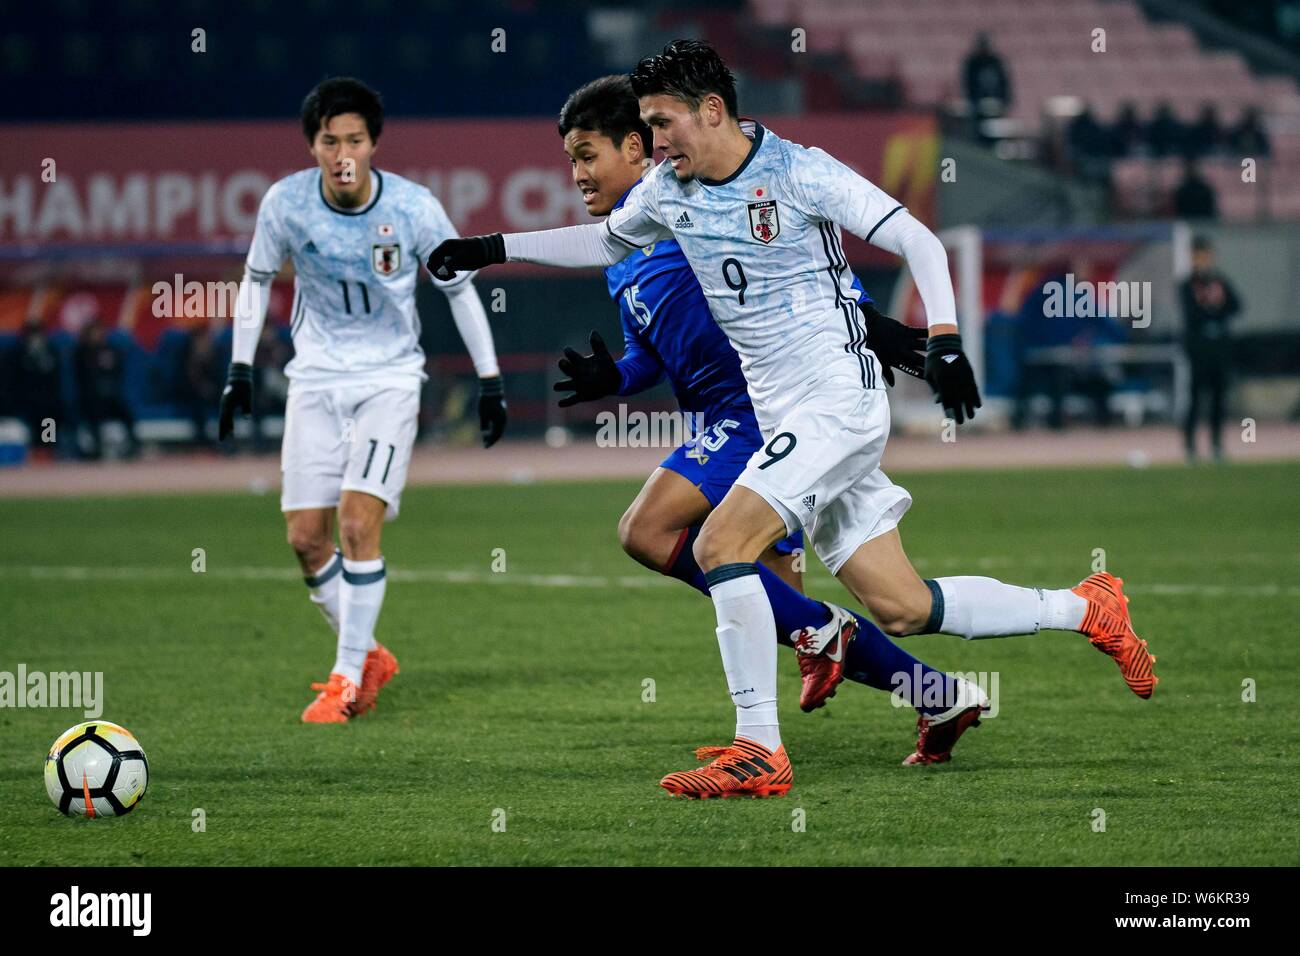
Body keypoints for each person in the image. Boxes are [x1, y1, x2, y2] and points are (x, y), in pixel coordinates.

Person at [430, 40, 1158, 799]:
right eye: (645, 126)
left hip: (836, 402)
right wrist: (488, 247)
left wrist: (942, 338)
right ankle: (1086, 607)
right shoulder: (668, 192)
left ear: (711, 112)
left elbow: (917, 238)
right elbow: (603, 239)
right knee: (903, 605)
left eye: (663, 123)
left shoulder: (799, 170)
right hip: (788, 416)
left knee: (719, 544)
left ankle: (759, 750)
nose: (656, 144)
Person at [552, 74, 983, 765]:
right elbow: (649, 352)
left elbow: (806, 272)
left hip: (763, 415)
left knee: (652, 529)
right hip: (728, 422)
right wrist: (618, 377)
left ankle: (763, 742)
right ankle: (934, 693)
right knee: (788, 608)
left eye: (587, 154)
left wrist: (877, 327)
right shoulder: (630, 245)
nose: (576, 174)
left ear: (638, 147)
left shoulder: (690, 210)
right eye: (570, 159)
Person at [217, 76, 507, 723]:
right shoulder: (285, 204)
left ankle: (346, 681)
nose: (343, 153)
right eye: (329, 141)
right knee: (304, 539)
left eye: (354, 139)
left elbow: (458, 289)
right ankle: (368, 653)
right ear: (312, 148)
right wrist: (239, 369)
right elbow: (257, 279)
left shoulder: (413, 208)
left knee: (355, 525)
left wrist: (489, 379)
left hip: (388, 380)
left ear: (375, 144)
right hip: (315, 380)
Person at [1180, 236, 1241, 462]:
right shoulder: (1188, 284)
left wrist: (1216, 304)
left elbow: (1236, 306)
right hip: (1200, 349)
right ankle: (1190, 446)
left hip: (1219, 348)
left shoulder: (1220, 281)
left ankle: (1216, 444)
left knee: (1218, 398)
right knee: (1195, 398)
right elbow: (1192, 315)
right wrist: (1210, 305)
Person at [74, 317, 139, 459]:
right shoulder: (81, 352)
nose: (97, 335)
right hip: (90, 398)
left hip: (110, 396)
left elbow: (117, 371)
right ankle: (96, 448)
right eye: (94, 332)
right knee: (93, 411)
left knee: (126, 412)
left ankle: (133, 446)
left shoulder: (110, 350)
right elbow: (81, 378)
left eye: (99, 332)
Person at [13, 316, 64, 460]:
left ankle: (48, 451)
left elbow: (56, 380)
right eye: (32, 334)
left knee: (50, 416)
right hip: (25, 400)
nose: (35, 338)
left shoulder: (51, 351)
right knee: (34, 415)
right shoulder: (17, 353)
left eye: (38, 333)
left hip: (48, 401)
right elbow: (14, 381)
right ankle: (33, 451)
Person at [962, 33, 1011, 140]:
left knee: (997, 135)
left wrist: (1004, 102)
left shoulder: (996, 62)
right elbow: (968, 85)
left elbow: (1005, 83)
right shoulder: (972, 63)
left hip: (997, 107)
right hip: (978, 109)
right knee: (979, 135)